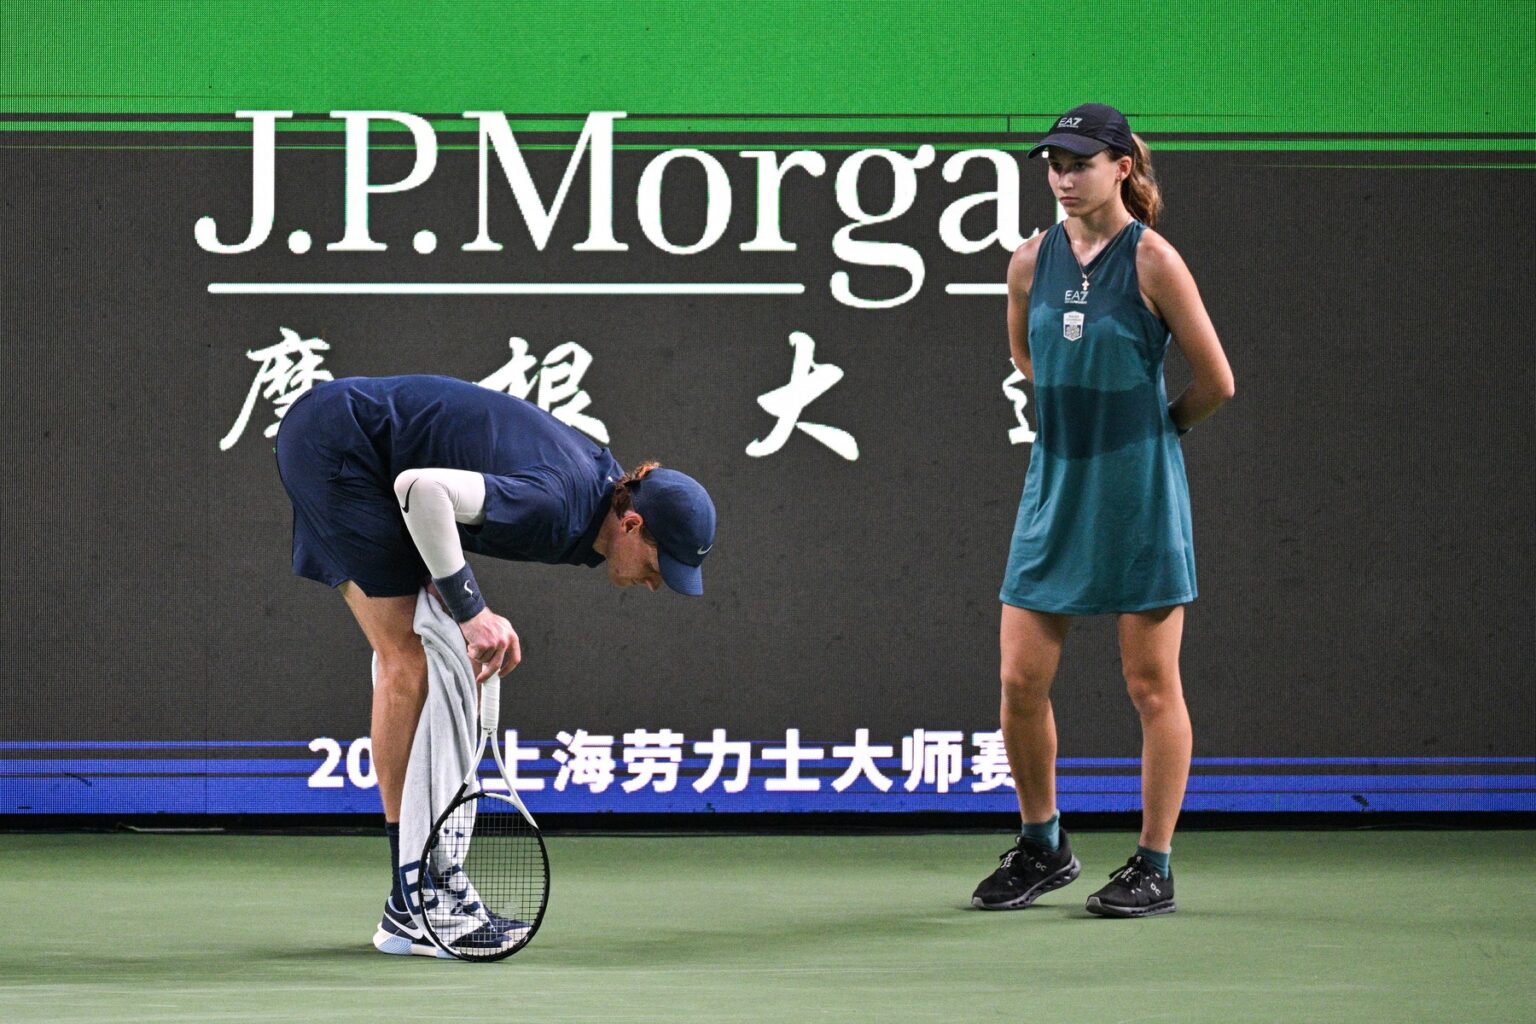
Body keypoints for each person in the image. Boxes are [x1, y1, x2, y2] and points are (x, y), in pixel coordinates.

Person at [273, 374, 716, 953]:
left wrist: (464, 611)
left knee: (447, 651)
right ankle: (413, 896)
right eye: (659, 567)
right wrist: (473, 611)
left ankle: (422, 889)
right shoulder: (556, 504)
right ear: (631, 525)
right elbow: (421, 489)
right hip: (340, 446)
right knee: (411, 659)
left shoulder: (600, 495)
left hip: (367, 452)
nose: (656, 585)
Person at [970, 104, 1234, 917]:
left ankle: (1154, 864)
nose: (1063, 175)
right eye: (1054, 162)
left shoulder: (1155, 260)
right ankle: (1043, 844)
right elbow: (1028, 355)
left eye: (1080, 162)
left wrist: (1150, 435)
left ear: (1122, 167)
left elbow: (1216, 382)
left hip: (1140, 496)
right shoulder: (1028, 261)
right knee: (1019, 681)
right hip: (1054, 490)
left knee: (1151, 686)